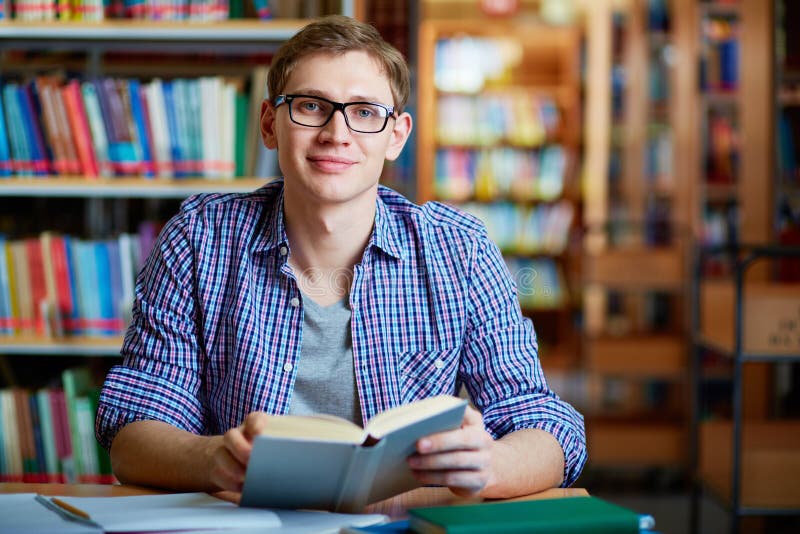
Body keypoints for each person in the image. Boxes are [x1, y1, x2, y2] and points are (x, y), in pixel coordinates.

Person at [96, 15, 586, 500]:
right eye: (311, 106)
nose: (336, 132)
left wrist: (490, 464)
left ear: (396, 135)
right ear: (270, 124)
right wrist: (212, 460)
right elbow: (134, 427)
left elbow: (545, 423)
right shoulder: (200, 239)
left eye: (366, 112)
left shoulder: (460, 251)